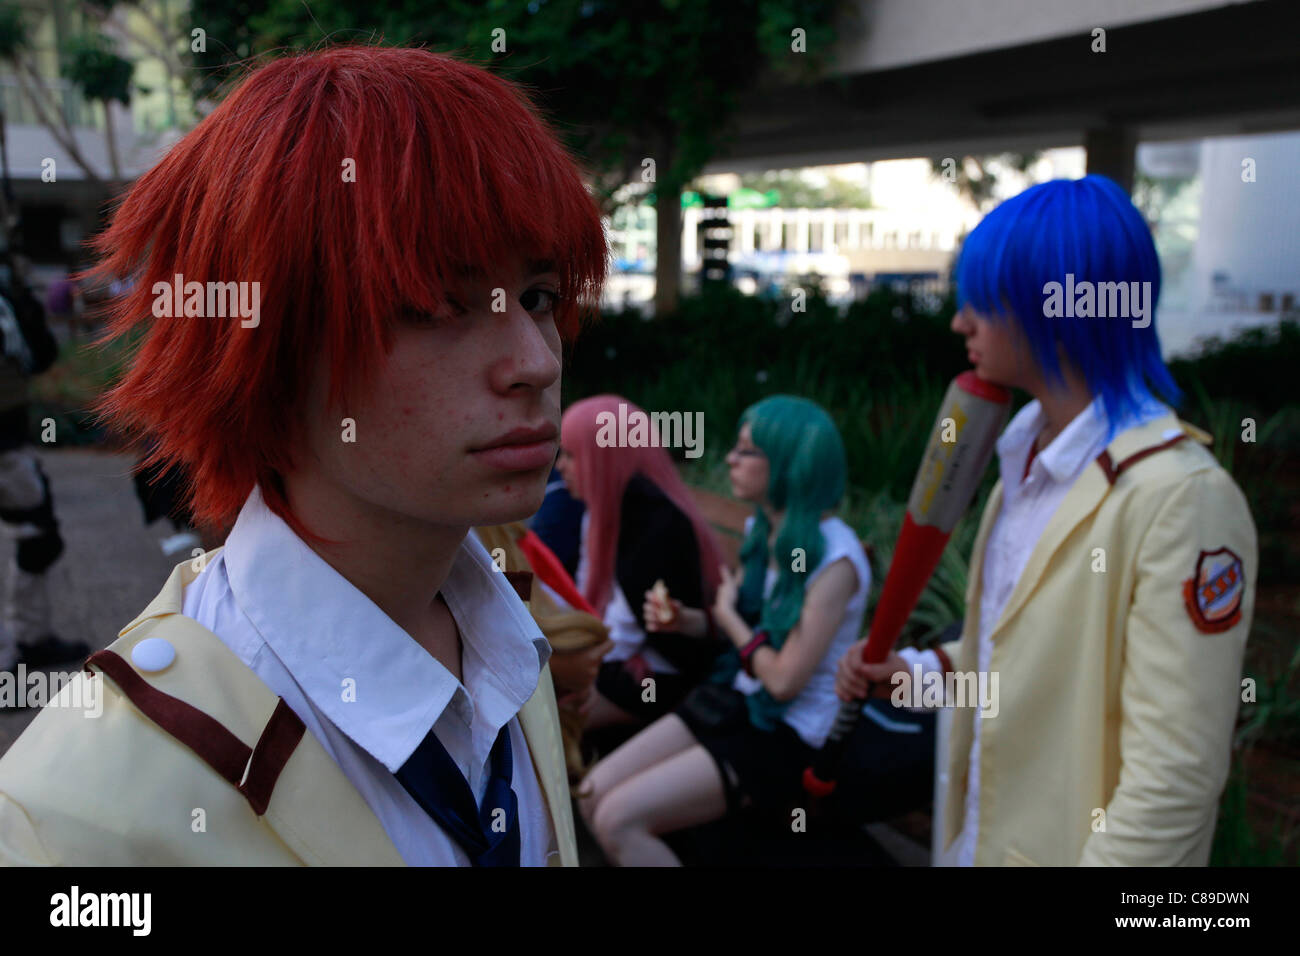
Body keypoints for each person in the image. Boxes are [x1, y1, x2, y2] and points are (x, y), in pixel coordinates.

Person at [0, 44, 607, 865]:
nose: (535, 360)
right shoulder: (75, 816)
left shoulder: (508, 641)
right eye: (436, 305)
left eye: (537, 297)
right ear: (263, 350)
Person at [836, 175, 1257, 866]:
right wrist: (915, 672)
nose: (959, 323)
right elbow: (1010, 662)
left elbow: (1174, 783)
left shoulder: (1180, 499)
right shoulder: (1019, 467)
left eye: (981, 302)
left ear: (1055, 309)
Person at [577, 397, 871, 866]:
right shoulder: (764, 530)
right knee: (591, 793)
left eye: (746, 451)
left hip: (788, 735)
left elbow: (782, 680)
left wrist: (729, 617)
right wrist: (686, 619)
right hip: (734, 701)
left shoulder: (835, 560)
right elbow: (745, 627)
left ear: (791, 465)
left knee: (619, 821)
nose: (730, 459)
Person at [555, 395, 727, 736]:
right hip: (619, 657)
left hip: (658, 674)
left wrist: (569, 664)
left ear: (605, 459)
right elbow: (586, 594)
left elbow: (626, 629)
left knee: (550, 727)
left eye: (573, 456)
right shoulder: (602, 510)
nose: (560, 466)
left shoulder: (653, 523)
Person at [0, 255, 87, 694]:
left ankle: (31, 639)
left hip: (9, 441)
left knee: (37, 535)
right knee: (35, 534)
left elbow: (37, 355)